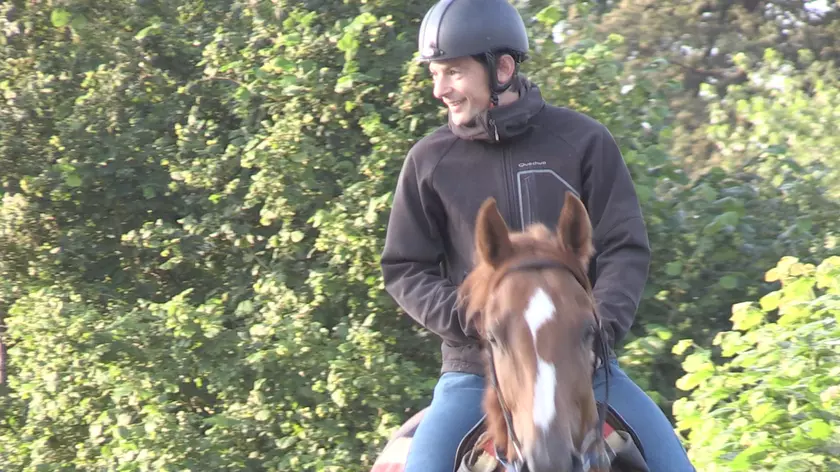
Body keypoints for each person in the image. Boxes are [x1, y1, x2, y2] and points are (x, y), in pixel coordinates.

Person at [379, 0, 695, 471]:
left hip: (586, 367)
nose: (440, 90)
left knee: (675, 466)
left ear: (501, 68)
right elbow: (405, 266)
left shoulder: (585, 141)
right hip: (474, 372)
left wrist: (596, 329)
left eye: (453, 73)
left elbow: (623, 247)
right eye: (435, 74)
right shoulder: (428, 162)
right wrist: (472, 318)